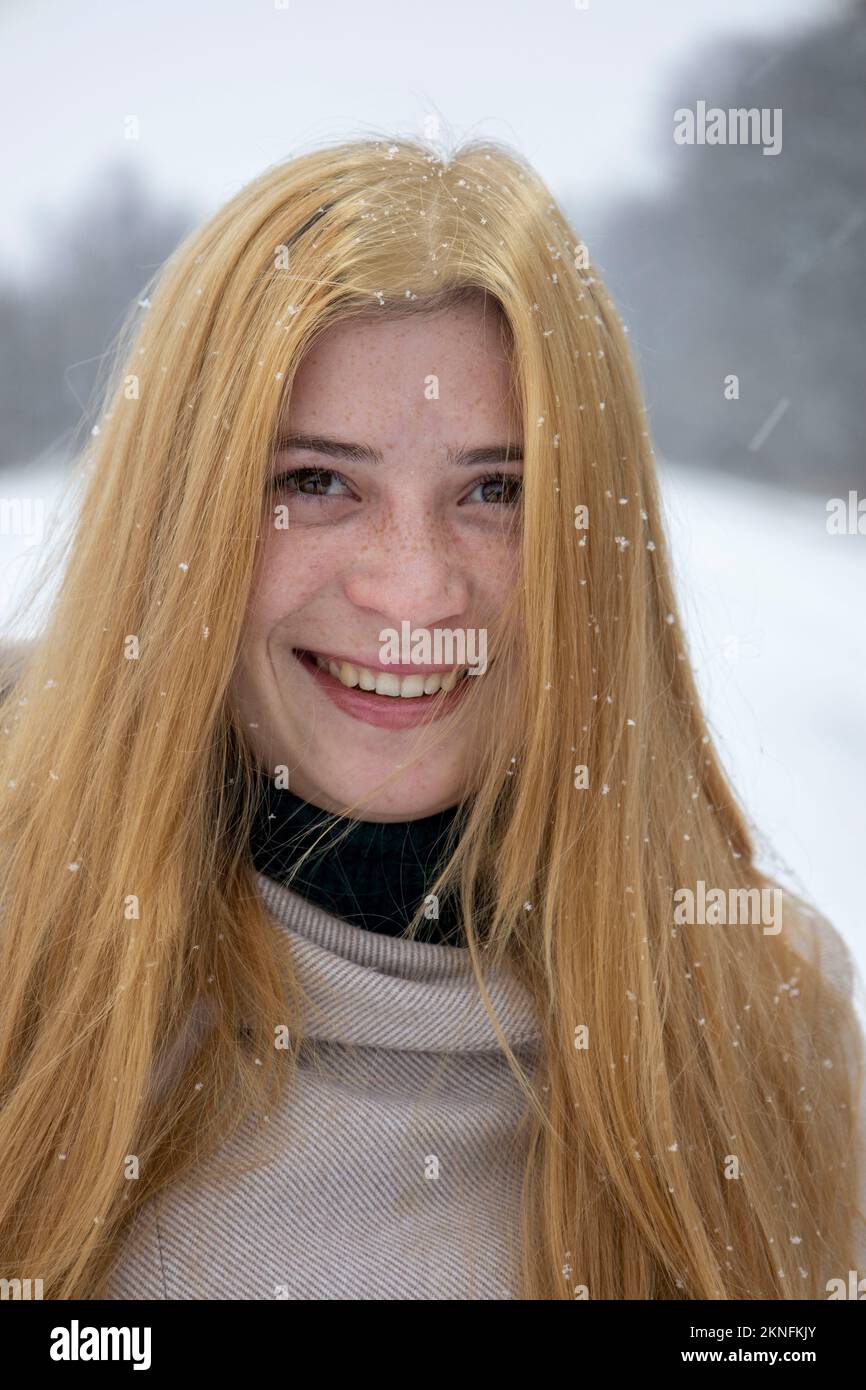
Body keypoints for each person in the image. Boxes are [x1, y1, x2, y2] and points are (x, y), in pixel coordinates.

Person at [0, 135, 863, 1301]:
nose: (413, 593)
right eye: (314, 481)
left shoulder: (756, 1030)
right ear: (177, 517)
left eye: (495, 491)